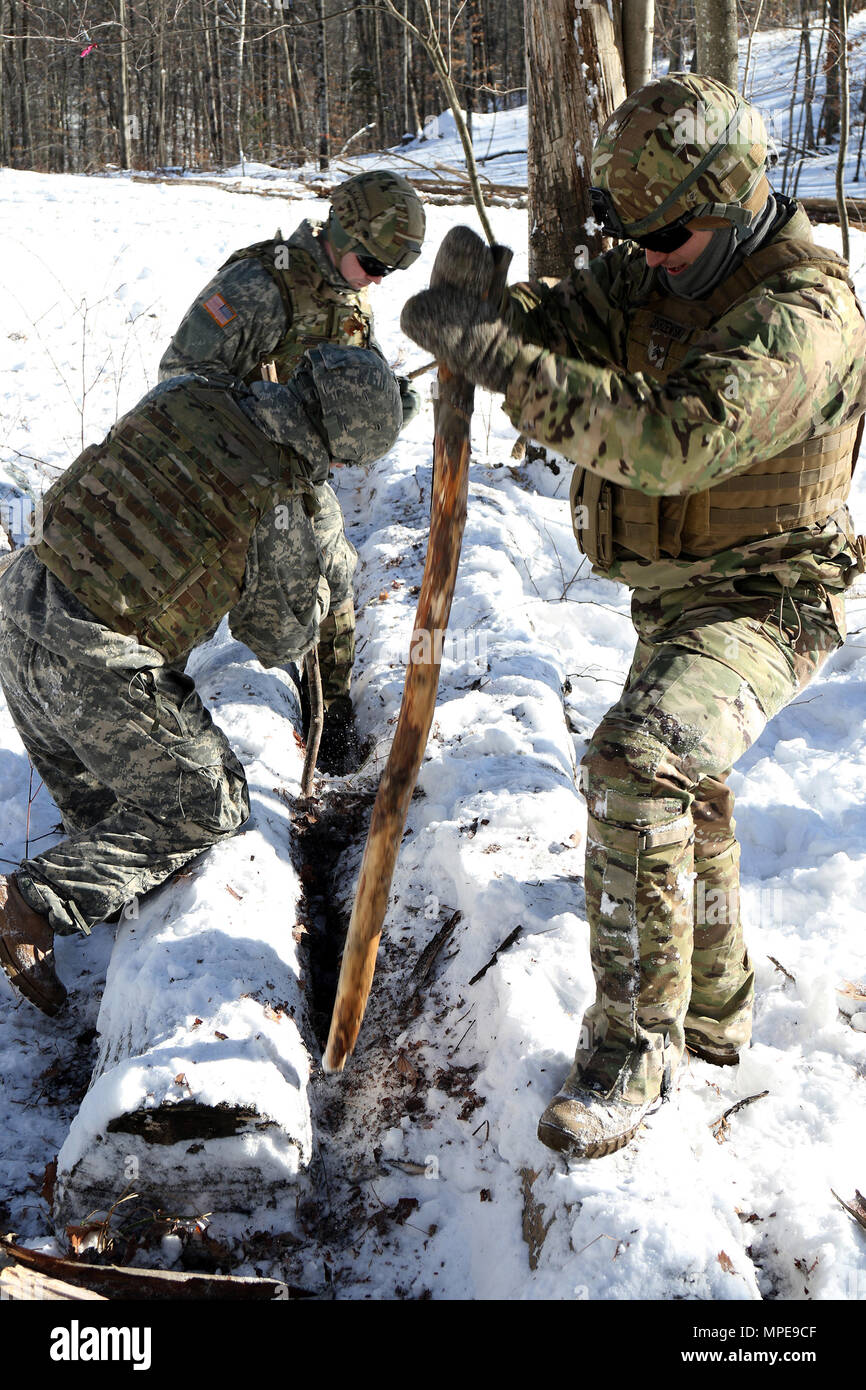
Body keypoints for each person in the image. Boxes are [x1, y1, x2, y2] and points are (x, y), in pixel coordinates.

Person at [400, 74, 866, 1158]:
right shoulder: (664, 272)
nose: (649, 251)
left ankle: (631, 1048)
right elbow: (572, 314)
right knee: (683, 791)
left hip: (769, 598)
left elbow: (672, 443)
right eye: (635, 229)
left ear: (736, 193)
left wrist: (502, 364)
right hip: (673, 593)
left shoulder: (804, 316)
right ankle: (715, 1003)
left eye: (669, 230)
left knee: (635, 764)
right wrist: (492, 312)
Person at [0, 346, 402, 1019]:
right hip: (91, 672)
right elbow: (278, 639)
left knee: (114, 823)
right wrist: (325, 568)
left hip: (19, 617)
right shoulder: (279, 500)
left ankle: (97, 936)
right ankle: (28, 905)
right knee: (204, 806)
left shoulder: (191, 390)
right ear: (342, 444)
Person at [159, 170, 426, 774]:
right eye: (373, 261)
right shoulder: (259, 284)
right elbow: (177, 381)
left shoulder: (350, 295)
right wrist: (265, 416)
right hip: (219, 476)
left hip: (294, 477)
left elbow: (357, 380)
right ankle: (155, 722)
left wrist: (385, 403)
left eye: (391, 269)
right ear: (338, 231)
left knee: (334, 574)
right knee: (189, 605)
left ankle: (325, 717)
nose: (379, 278)